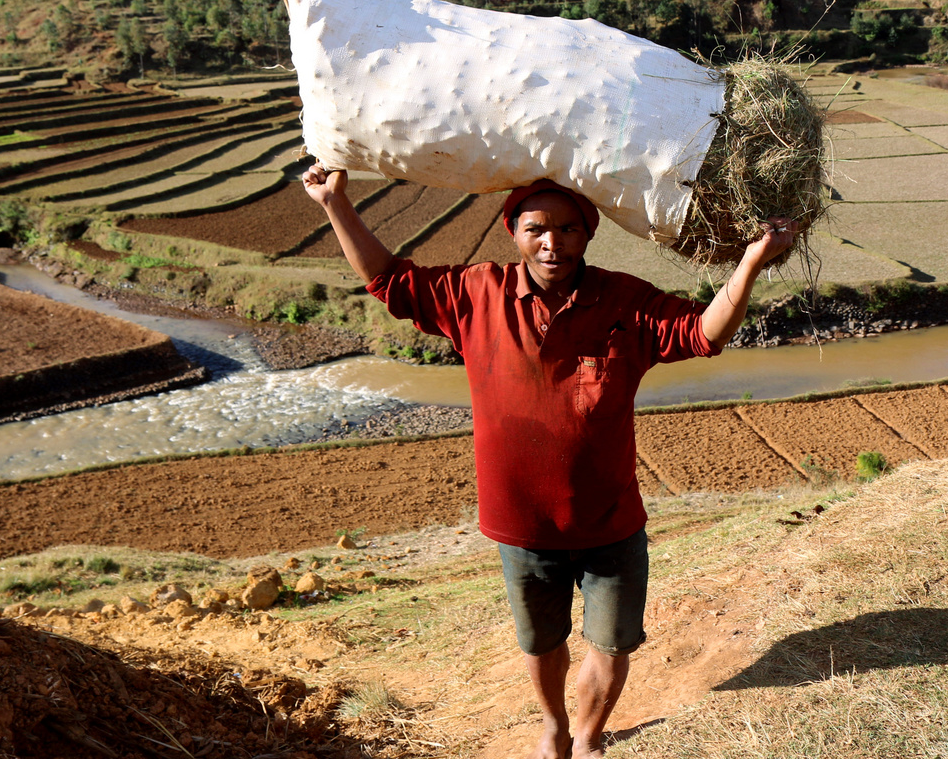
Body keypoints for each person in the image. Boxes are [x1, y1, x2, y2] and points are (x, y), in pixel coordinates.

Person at [302, 165, 796, 759]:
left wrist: (750, 263)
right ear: (513, 232)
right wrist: (334, 203)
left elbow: (701, 333)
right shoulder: (477, 294)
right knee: (541, 643)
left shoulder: (623, 300)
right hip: (522, 524)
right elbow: (390, 281)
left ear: (588, 234)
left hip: (609, 519)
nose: (552, 242)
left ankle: (588, 736)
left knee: (612, 643)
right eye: (536, 228)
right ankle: (554, 726)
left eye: (567, 228)